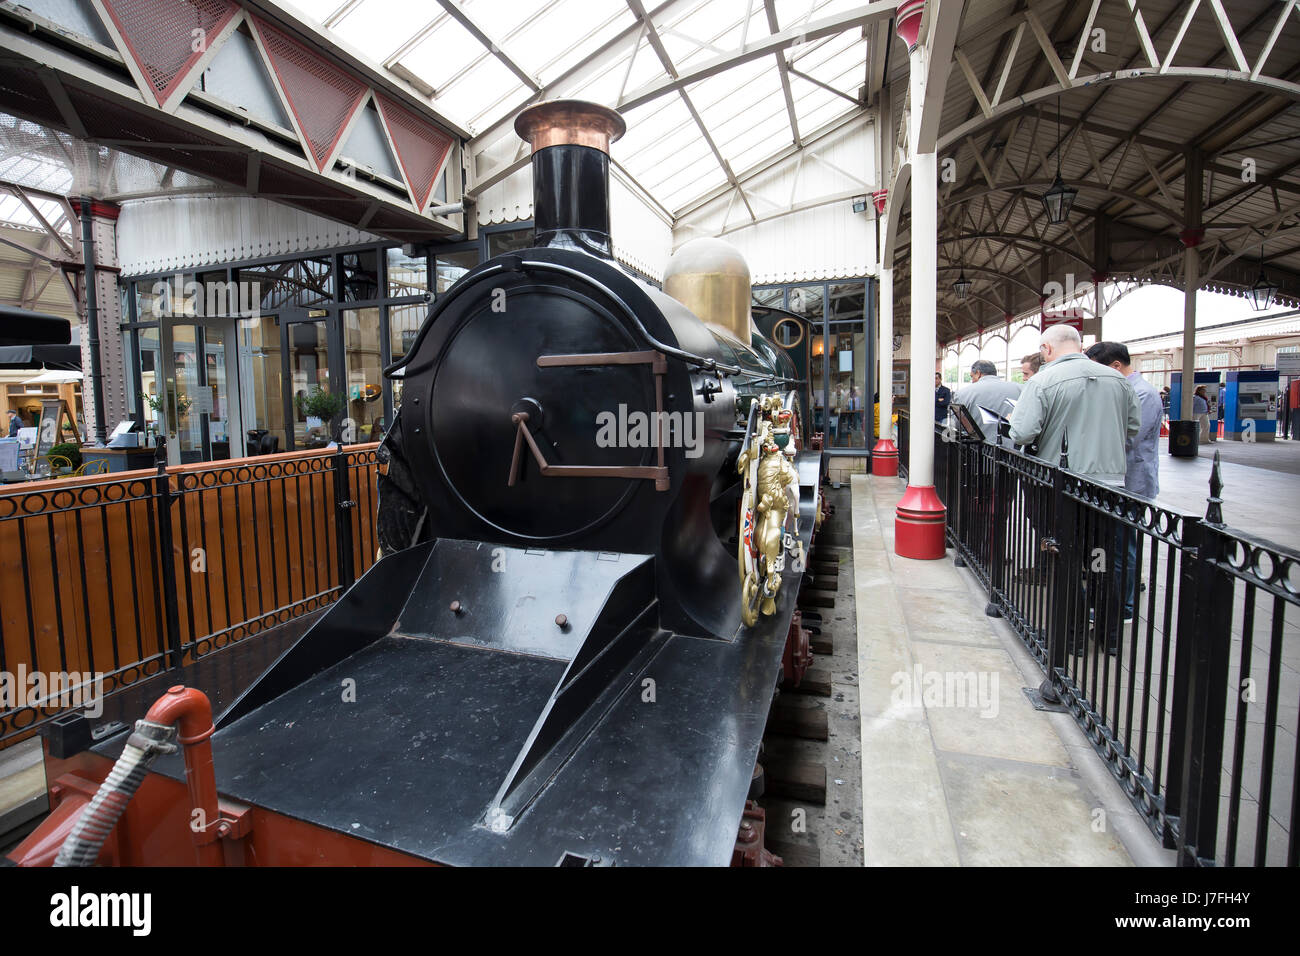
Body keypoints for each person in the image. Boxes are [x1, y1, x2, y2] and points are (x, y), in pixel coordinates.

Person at [1087, 342, 1162, 643]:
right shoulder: (1128, 390)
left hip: (1131, 481)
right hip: (1117, 479)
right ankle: (1109, 602)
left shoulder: (1141, 393)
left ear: (1115, 366)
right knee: (1112, 545)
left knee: (1123, 546)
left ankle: (1125, 606)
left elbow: (1129, 438)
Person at [1010, 326, 1140, 482]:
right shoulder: (1120, 380)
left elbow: (1022, 434)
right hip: (1110, 479)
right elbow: (1132, 427)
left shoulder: (1041, 381)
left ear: (1047, 348)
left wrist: (1013, 422)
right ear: (1079, 347)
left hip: (1057, 478)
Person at [954, 359, 1020, 441]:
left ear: (978, 373)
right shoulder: (1019, 389)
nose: (972, 380)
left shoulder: (962, 393)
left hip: (979, 448)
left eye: (972, 376)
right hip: (1013, 449)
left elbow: (958, 424)